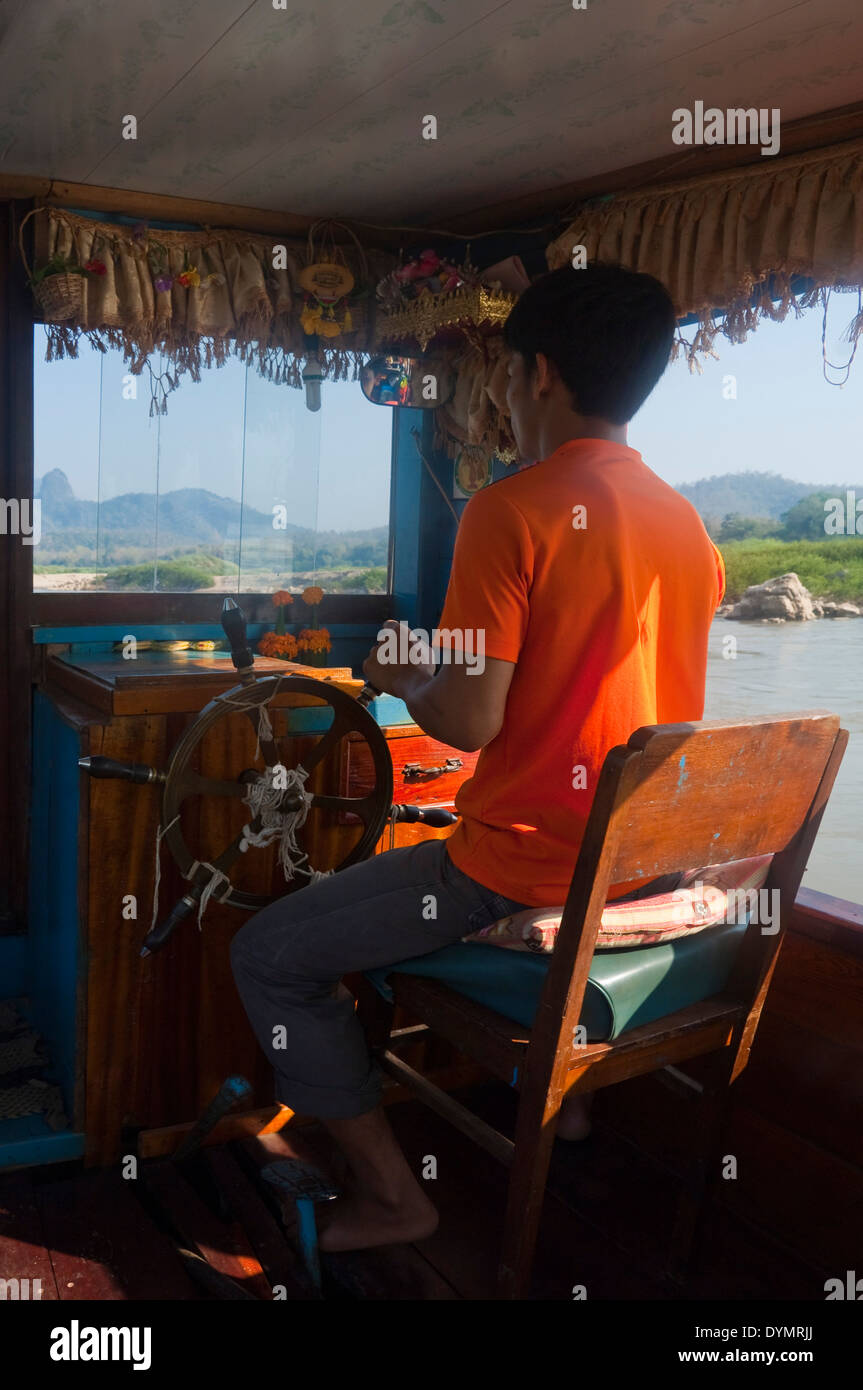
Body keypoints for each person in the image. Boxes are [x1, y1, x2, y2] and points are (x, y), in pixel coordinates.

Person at [231, 263, 726, 1252]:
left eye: (502, 373)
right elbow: (578, 680)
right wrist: (434, 667)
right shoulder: (689, 527)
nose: (497, 392)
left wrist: (401, 677)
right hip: (636, 872)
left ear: (538, 373)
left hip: (514, 872)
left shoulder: (511, 509)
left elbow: (466, 724)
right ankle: (569, 1112)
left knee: (271, 954)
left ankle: (391, 1195)